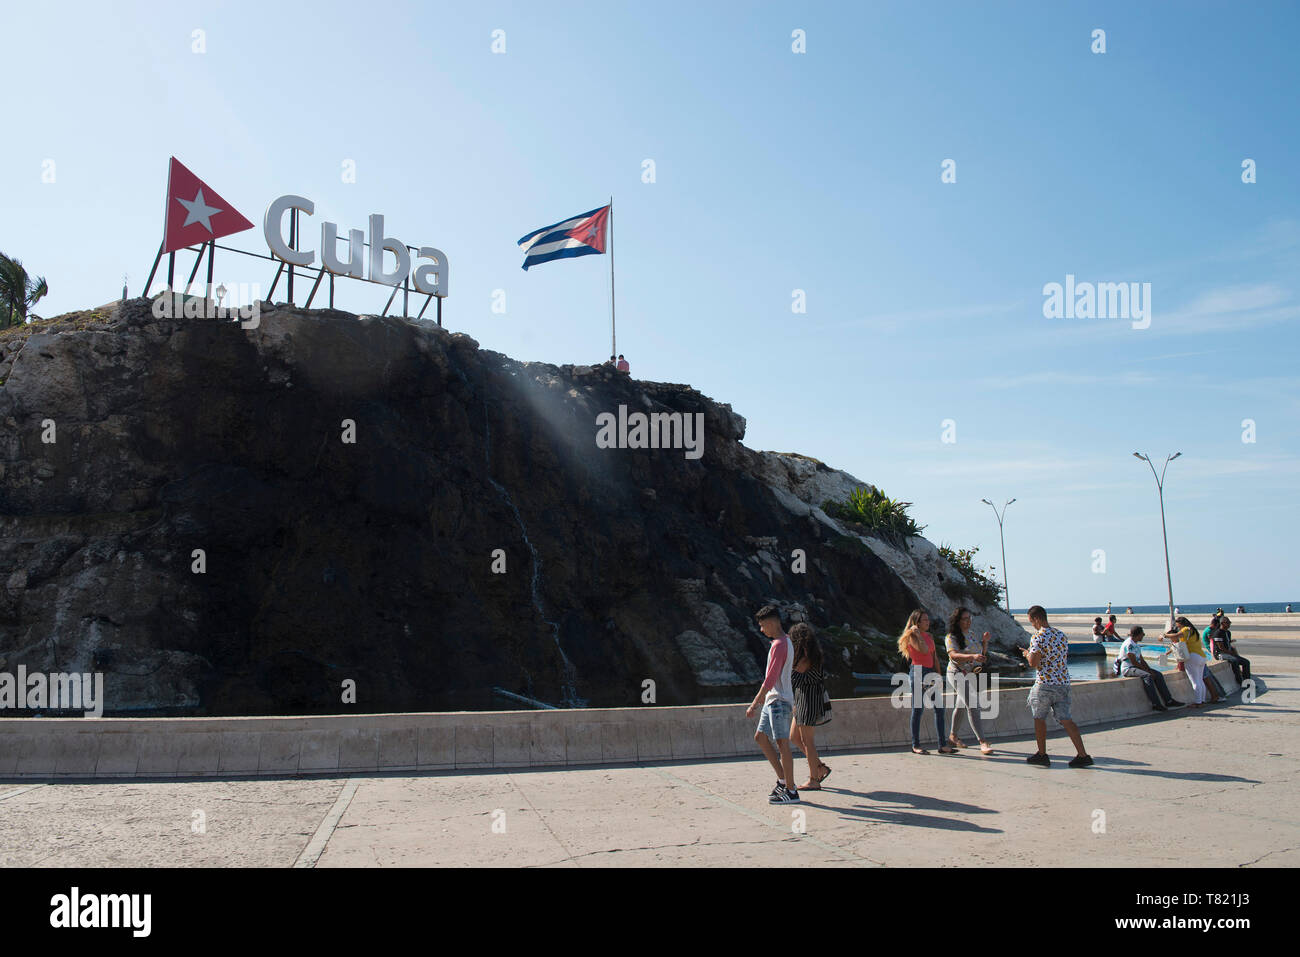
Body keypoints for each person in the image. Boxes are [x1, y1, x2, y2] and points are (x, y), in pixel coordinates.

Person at [1020, 605, 1093, 767]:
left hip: (1045, 684)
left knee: (1039, 718)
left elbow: (1033, 663)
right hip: (1063, 682)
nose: (1032, 625)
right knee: (1066, 719)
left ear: (1037, 619)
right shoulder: (1061, 635)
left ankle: (1042, 754)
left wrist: (1026, 654)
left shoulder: (1038, 637)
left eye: (1032, 622)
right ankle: (1083, 754)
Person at [746, 605, 799, 804]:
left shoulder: (780, 644)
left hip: (779, 701)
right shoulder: (782, 642)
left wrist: (753, 705)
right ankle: (783, 780)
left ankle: (791, 791)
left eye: (762, 625)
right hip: (773, 701)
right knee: (760, 737)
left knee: (782, 744)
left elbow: (770, 680)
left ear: (773, 622)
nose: (761, 630)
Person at [898, 610, 952, 754]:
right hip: (917, 672)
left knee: (939, 709)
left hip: (930, 672)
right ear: (917, 623)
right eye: (925, 620)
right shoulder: (912, 637)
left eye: (928, 620)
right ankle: (915, 745)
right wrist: (915, 633)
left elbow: (934, 656)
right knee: (918, 709)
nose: (928, 622)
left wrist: (938, 675)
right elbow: (923, 649)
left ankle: (942, 745)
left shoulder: (929, 636)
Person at [788, 622, 832, 790]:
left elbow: (794, 677)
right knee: (794, 737)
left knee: (808, 741)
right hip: (802, 699)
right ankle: (820, 767)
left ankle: (814, 779)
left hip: (808, 700)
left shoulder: (806, 658)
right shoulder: (811, 655)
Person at [945, 607, 994, 754]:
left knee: (961, 705)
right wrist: (971, 657)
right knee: (973, 705)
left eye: (969, 618)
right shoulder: (951, 637)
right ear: (958, 621)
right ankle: (983, 742)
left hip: (971, 674)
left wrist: (985, 643)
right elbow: (953, 655)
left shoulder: (972, 634)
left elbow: (980, 654)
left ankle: (953, 736)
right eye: (965, 619)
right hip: (957, 673)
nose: (968, 621)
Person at [1118, 626, 1184, 711]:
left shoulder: (1135, 645)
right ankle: (1155, 703)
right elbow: (1134, 662)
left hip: (1135, 667)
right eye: (1143, 634)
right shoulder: (1129, 644)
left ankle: (1169, 700)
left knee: (1158, 675)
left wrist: (1149, 669)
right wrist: (1147, 671)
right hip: (1128, 668)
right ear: (1138, 635)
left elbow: (1141, 660)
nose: (1143, 636)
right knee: (1147, 676)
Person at [1166, 616, 1216, 705]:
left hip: (1192, 657)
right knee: (1200, 680)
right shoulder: (1193, 630)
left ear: (1182, 624)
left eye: (1178, 626)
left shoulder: (1185, 629)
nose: (1178, 628)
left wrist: (1164, 635)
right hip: (1201, 656)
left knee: (1195, 681)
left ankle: (1198, 703)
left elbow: (1176, 635)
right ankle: (1202, 701)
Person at [1209, 615, 1251, 685]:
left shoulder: (1228, 632)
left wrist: (1233, 652)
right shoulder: (1218, 633)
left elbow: (1228, 644)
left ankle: (1247, 682)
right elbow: (1221, 647)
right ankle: (1240, 681)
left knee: (1246, 662)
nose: (1229, 624)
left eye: (1229, 623)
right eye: (1227, 623)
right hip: (1220, 654)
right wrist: (1231, 653)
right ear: (1222, 623)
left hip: (1228, 653)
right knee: (1234, 661)